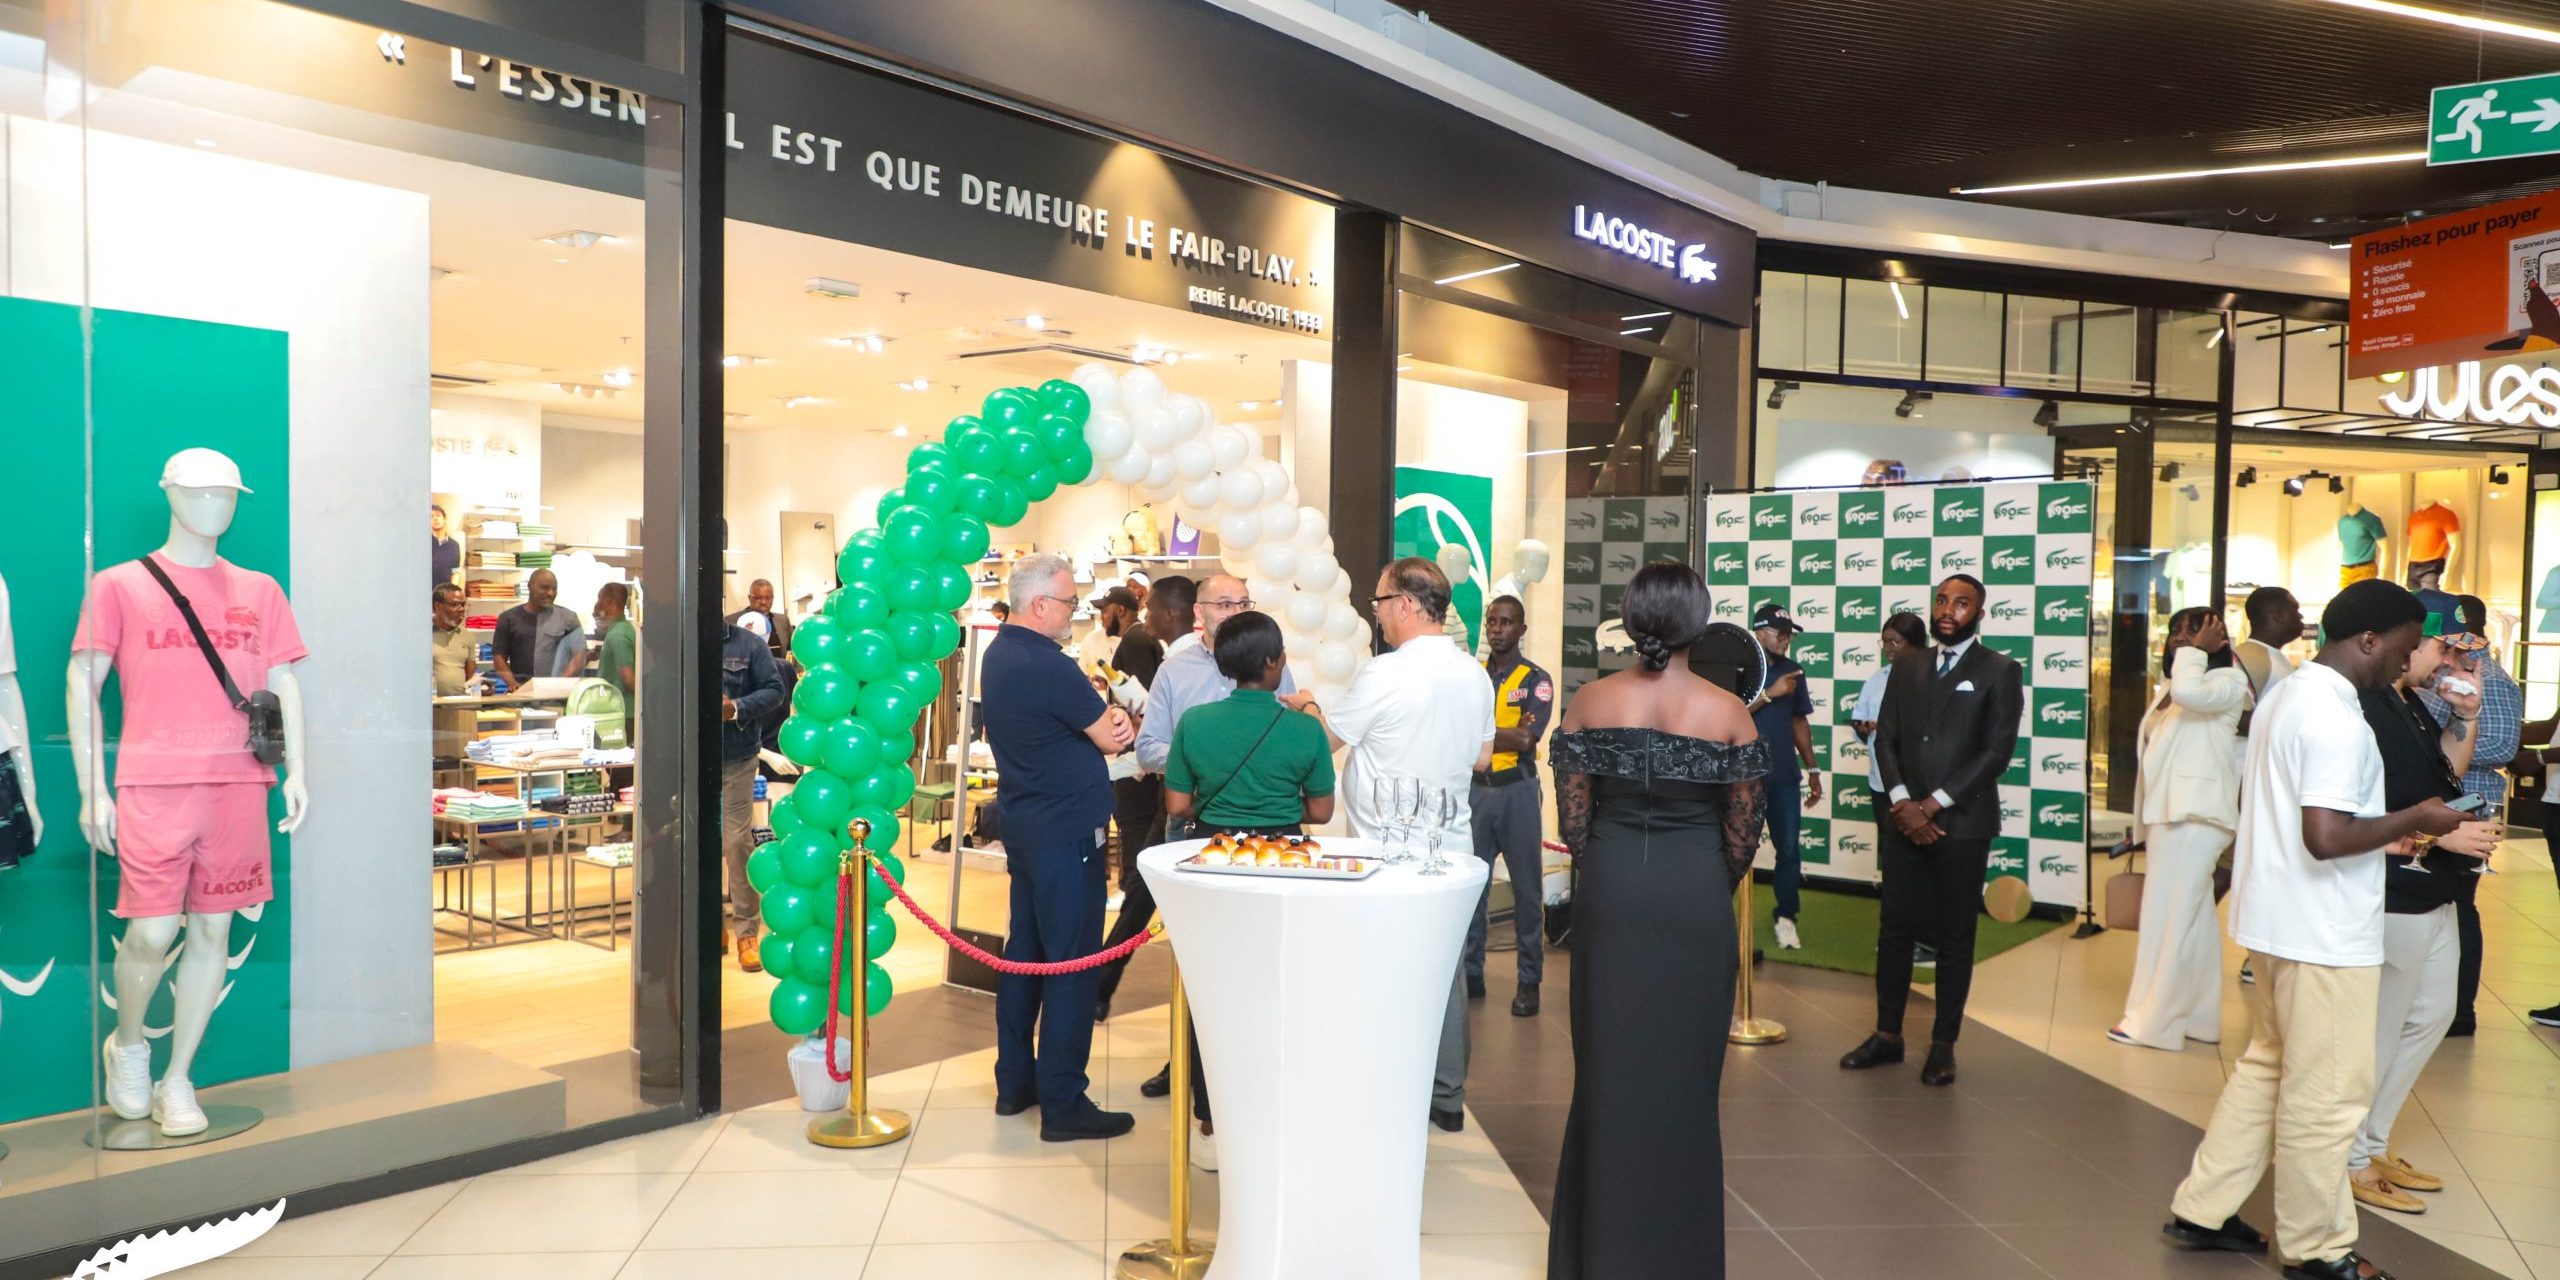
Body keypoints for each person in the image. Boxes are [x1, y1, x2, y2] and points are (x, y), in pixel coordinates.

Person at [2162, 579, 2481, 1280]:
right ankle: (2317, 1249)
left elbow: (2305, 816)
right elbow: (2327, 836)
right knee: (2327, 1098)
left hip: (2278, 924)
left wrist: (2391, 838)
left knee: (2266, 1070)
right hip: (2323, 935)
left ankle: (2204, 1207)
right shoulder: (2337, 716)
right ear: (2368, 640)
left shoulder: (2290, 693)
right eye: (2402, 648)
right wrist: (2419, 820)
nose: (2407, 662)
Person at [1543, 562, 1766, 1280]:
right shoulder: (1730, 712)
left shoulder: (1589, 701)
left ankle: (1599, 1257)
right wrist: (1694, 878)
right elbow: (1742, 838)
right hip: (1694, 901)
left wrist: (1616, 869)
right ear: (1698, 623)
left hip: (1612, 898)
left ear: (1633, 618)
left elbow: (1574, 827)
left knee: (1606, 1076)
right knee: (1686, 1087)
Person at [1288, 556, 1496, 1133]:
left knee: (1380, 974)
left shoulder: (1386, 674)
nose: (1375, 615)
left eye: (1379, 602)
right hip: (1453, 848)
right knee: (1445, 977)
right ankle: (1447, 1097)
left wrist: (1305, 703)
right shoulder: (1474, 673)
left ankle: (1386, 1090)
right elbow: (1481, 757)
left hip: (1385, 853)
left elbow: (1323, 742)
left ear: (1405, 603)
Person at [981, 553, 1138, 1142]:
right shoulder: (1049, 665)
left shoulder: (1000, 653)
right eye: (1069, 603)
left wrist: (1106, 723)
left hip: (1028, 827)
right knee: (1070, 964)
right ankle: (1064, 1100)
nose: (1075, 613)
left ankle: (1015, 1083)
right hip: (1065, 835)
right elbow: (1109, 736)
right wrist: (1114, 721)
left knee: (1025, 958)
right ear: (1039, 605)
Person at [1843, 573, 2023, 1087]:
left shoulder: (1999, 671)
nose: (1949, 610)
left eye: (1961, 603)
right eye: (1943, 600)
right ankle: (1887, 1035)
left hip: (1961, 825)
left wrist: (1933, 805)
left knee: (1954, 936)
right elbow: (1886, 740)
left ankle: (1943, 1045)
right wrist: (1903, 803)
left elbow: (1995, 752)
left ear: (1979, 614)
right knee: (1894, 929)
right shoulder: (1907, 666)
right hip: (1903, 820)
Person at [2348, 620, 2494, 1215]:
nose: (2443, 661)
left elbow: (2446, 772)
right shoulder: (2363, 705)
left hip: (2436, 888)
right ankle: (2352, 1158)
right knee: (2381, 1028)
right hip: (2395, 889)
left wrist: (2464, 715)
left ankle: (2373, 1143)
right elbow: (2354, 814)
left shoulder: (2408, 700)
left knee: (2432, 1014)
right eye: (2439, 648)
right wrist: (2441, 839)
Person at [2112, 608, 2250, 1051]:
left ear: (2216, 637)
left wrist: (2195, 653)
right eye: (2176, 631)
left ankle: (2155, 1023)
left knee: (2167, 919)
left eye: (2192, 631)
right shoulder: (2174, 685)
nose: (2179, 639)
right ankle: (2199, 1018)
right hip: (2171, 813)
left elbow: (2193, 692)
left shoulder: (2227, 682)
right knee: (2192, 919)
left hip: (2198, 815)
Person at [1094, 575, 1196, 1023]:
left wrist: (1144, 737)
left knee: (1149, 895)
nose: (1144, 613)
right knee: (1139, 889)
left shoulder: (1187, 664)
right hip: (1167, 797)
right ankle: (1100, 984)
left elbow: (1167, 743)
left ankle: (1101, 985)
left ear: (1170, 613)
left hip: (1183, 801)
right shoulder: (1175, 658)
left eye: (1151, 606)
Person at [2421, 596, 2518, 1037]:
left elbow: (2503, 747)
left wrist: (2441, 742)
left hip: (2469, 806)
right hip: (2445, 810)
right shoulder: (2445, 675)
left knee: (2460, 907)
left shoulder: (2488, 679)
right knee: (2446, 906)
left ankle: (2460, 1012)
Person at [1165, 610, 1335, 834]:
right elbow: (1321, 812)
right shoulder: (1308, 728)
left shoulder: (1193, 721)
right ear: (1271, 661)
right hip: (1282, 848)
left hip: (1213, 845)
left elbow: (1177, 806)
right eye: (1282, 652)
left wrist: (1224, 808)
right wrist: (1277, 810)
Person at [1465, 595, 1555, 1016]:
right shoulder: (1472, 677)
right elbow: (1504, 734)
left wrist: (1478, 733)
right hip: (1477, 792)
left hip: (1517, 792)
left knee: (1526, 890)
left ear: (1521, 629)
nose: (1497, 629)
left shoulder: (1536, 679)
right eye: (1492, 622)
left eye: (1506, 622)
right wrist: (1501, 732)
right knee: (1473, 892)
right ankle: (1472, 974)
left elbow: (1525, 741)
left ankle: (1529, 982)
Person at [1745, 603, 1820, 949]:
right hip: (1743, 776)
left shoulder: (1794, 671)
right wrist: (1767, 696)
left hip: (1784, 777)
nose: (1787, 640)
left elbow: (1798, 721)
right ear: (1760, 632)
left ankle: (1786, 917)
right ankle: (1719, 921)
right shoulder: (1740, 666)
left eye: (1790, 634)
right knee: (1732, 851)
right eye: (1781, 633)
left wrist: (1813, 768)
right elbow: (1728, 713)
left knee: (1788, 850)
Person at [719, 613, 786, 972]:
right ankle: (709, 926)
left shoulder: (749, 645)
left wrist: (735, 708)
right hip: (688, 760)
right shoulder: (679, 641)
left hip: (736, 758)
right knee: (696, 844)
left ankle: (746, 930)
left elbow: (775, 691)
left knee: (734, 841)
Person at [491, 568, 585, 688]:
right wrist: (512, 683)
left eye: (554, 589)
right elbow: (499, 657)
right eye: (545, 588)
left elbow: (579, 655)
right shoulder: (508, 618)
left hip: (557, 694)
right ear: (530, 586)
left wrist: (560, 682)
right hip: (522, 691)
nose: (550, 593)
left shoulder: (568, 618)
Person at [432, 583, 476, 760]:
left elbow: (471, 677)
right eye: (455, 604)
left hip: (461, 711)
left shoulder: (467, 636)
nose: (461, 610)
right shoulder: (420, 633)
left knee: (462, 762)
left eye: (463, 604)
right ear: (437, 606)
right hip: (430, 711)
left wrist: (481, 687)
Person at [729, 578, 794, 666]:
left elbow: (792, 651)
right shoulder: (732, 621)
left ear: (772, 598)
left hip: (777, 676)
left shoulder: (783, 621)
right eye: (758, 598)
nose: (763, 602)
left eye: (768, 598)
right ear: (749, 598)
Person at [594, 582, 638, 704]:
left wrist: (643, 704)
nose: (597, 604)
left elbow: (628, 677)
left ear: (608, 600)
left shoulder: (618, 634)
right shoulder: (624, 628)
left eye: (599, 599)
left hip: (621, 711)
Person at [431, 503, 461, 589]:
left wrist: (452, 590)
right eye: (431, 516)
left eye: (438, 515)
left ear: (444, 519)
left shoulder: (454, 545)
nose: (435, 518)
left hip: (444, 593)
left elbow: (455, 572)